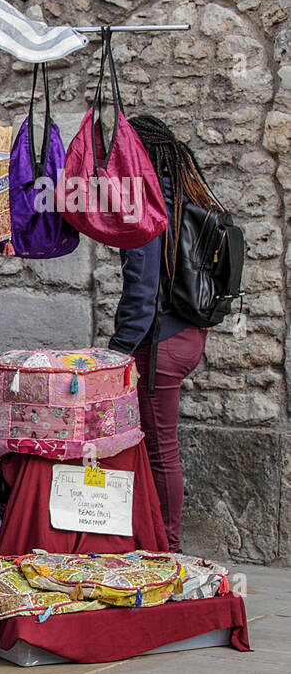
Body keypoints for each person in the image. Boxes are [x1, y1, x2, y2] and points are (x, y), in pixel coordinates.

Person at [108, 117, 216, 553]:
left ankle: (167, 547)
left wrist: (116, 353)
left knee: (159, 448)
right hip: (189, 332)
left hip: (162, 341)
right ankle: (153, 536)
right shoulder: (182, 190)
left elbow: (141, 291)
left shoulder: (145, 203)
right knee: (158, 444)